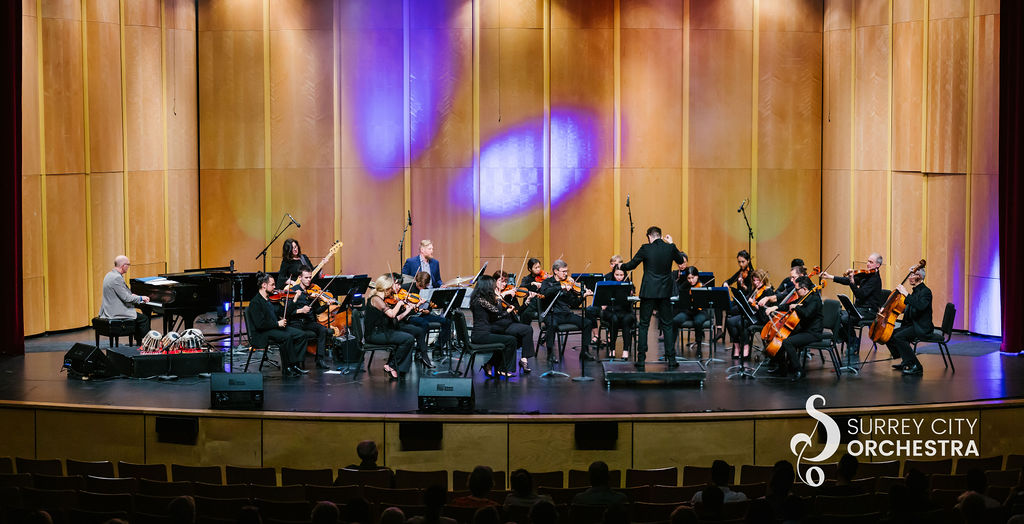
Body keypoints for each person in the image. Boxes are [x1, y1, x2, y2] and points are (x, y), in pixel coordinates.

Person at [617, 226, 689, 368]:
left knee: (644, 325)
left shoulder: (646, 248)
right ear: (661, 236)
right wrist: (672, 243)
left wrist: (621, 266)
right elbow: (681, 261)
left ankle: (641, 359)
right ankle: (671, 359)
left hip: (648, 291)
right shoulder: (670, 248)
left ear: (649, 236)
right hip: (665, 292)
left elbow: (632, 265)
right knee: (667, 325)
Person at [822, 253, 884, 360]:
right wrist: (830, 277)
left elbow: (860, 294)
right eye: (868, 261)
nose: (867, 264)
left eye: (871, 262)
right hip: (859, 308)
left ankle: (851, 341)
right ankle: (851, 340)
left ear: (877, 265)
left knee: (845, 318)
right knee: (836, 315)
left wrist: (852, 281)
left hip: (868, 311)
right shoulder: (866, 275)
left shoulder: (875, 280)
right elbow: (848, 281)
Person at [246, 273, 307, 377]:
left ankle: (295, 364)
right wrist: (277, 323)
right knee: (286, 337)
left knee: (301, 335)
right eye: (272, 285)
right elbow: (260, 324)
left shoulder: (270, 299)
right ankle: (288, 367)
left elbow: (284, 311)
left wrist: (294, 300)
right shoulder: (255, 302)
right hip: (261, 333)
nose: (275, 287)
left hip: (272, 328)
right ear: (264, 285)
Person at [765, 276, 822, 380]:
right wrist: (775, 307)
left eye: (797, 289)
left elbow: (807, 314)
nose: (795, 291)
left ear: (804, 289)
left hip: (813, 332)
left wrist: (797, 307)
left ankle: (799, 370)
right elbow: (790, 305)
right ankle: (783, 368)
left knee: (788, 342)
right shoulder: (804, 297)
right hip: (804, 330)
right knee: (780, 338)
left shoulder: (815, 299)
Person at [539, 260, 596, 362]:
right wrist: (560, 286)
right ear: (556, 271)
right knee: (552, 325)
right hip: (552, 314)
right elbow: (545, 293)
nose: (566, 274)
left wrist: (583, 296)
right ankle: (550, 353)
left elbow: (574, 304)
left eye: (566, 271)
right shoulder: (547, 282)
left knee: (587, 323)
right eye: (563, 271)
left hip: (566, 314)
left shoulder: (568, 285)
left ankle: (584, 352)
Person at [364, 274, 416, 379]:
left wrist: (407, 311)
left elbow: (394, 319)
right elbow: (392, 314)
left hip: (382, 332)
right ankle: (393, 366)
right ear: (386, 288)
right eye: (391, 288)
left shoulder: (382, 300)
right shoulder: (376, 299)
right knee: (408, 339)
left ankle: (393, 366)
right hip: (374, 335)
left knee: (408, 336)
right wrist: (399, 303)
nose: (393, 290)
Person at [884, 266, 932, 375]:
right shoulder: (915, 291)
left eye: (912, 275)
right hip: (913, 325)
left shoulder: (926, 292)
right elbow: (910, 306)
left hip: (922, 327)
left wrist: (906, 294)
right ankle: (906, 361)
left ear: (919, 277)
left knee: (899, 337)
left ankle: (917, 366)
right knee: (890, 335)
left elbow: (920, 306)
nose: (909, 277)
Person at [469, 275, 519, 377]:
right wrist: (500, 300)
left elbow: (495, 316)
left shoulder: (476, 299)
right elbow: (497, 312)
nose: (494, 288)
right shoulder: (481, 301)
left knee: (503, 340)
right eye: (492, 286)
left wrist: (506, 310)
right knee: (511, 340)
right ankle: (503, 369)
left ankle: (491, 365)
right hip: (481, 335)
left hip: (479, 334)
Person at [284, 268, 330, 369]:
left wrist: (326, 305)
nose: (309, 280)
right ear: (300, 277)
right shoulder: (293, 291)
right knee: (301, 335)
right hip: (296, 322)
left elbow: (317, 310)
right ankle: (296, 363)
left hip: (308, 322)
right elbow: (287, 312)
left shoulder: (312, 292)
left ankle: (320, 360)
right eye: (306, 277)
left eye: (310, 277)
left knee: (323, 329)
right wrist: (301, 310)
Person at [98, 255, 152, 342]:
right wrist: (141, 298)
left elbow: (121, 294)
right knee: (144, 319)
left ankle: (139, 341)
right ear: (123, 266)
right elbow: (126, 298)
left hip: (108, 309)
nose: (128, 267)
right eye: (128, 265)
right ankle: (146, 344)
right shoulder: (117, 278)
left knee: (139, 317)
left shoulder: (109, 275)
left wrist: (133, 296)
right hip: (115, 312)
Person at [494, 271, 537, 373]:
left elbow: (518, 311)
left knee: (525, 332)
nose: (504, 284)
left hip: (510, 323)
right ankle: (496, 363)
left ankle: (524, 359)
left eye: (506, 281)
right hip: (498, 324)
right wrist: (504, 294)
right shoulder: (491, 294)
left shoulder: (510, 295)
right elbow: (494, 306)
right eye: (501, 281)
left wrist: (527, 300)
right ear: (494, 281)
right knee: (525, 331)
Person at [726, 269, 773, 360]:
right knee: (730, 321)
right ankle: (737, 346)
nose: (756, 283)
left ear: (763, 280)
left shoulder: (768, 291)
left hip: (761, 318)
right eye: (754, 280)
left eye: (758, 280)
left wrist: (755, 305)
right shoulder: (755, 290)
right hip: (751, 316)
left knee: (741, 322)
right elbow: (746, 300)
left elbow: (764, 312)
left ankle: (746, 347)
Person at [407, 271, 452, 357]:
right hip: (410, 316)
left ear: (427, 284)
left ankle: (438, 348)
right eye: (419, 286)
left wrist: (427, 311)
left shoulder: (428, 291)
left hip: (423, 315)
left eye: (423, 286)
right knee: (423, 323)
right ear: (416, 281)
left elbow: (429, 308)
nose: (421, 288)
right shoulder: (407, 288)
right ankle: (419, 350)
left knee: (447, 322)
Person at [671, 266, 710, 358]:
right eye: (689, 278)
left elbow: (705, 305)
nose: (691, 280)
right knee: (675, 320)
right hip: (688, 312)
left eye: (693, 278)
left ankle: (699, 347)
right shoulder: (685, 286)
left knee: (698, 322)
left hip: (700, 312)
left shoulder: (702, 286)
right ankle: (671, 348)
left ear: (697, 276)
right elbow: (680, 295)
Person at [601, 267, 636, 360]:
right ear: (613, 274)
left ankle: (625, 350)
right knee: (614, 319)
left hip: (626, 311)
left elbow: (632, 301)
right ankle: (612, 348)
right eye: (617, 275)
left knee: (626, 320)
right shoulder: (608, 285)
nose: (619, 277)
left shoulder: (629, 284)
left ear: (625, 275)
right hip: (611, 311)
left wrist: (630, 293)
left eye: (621, 275)